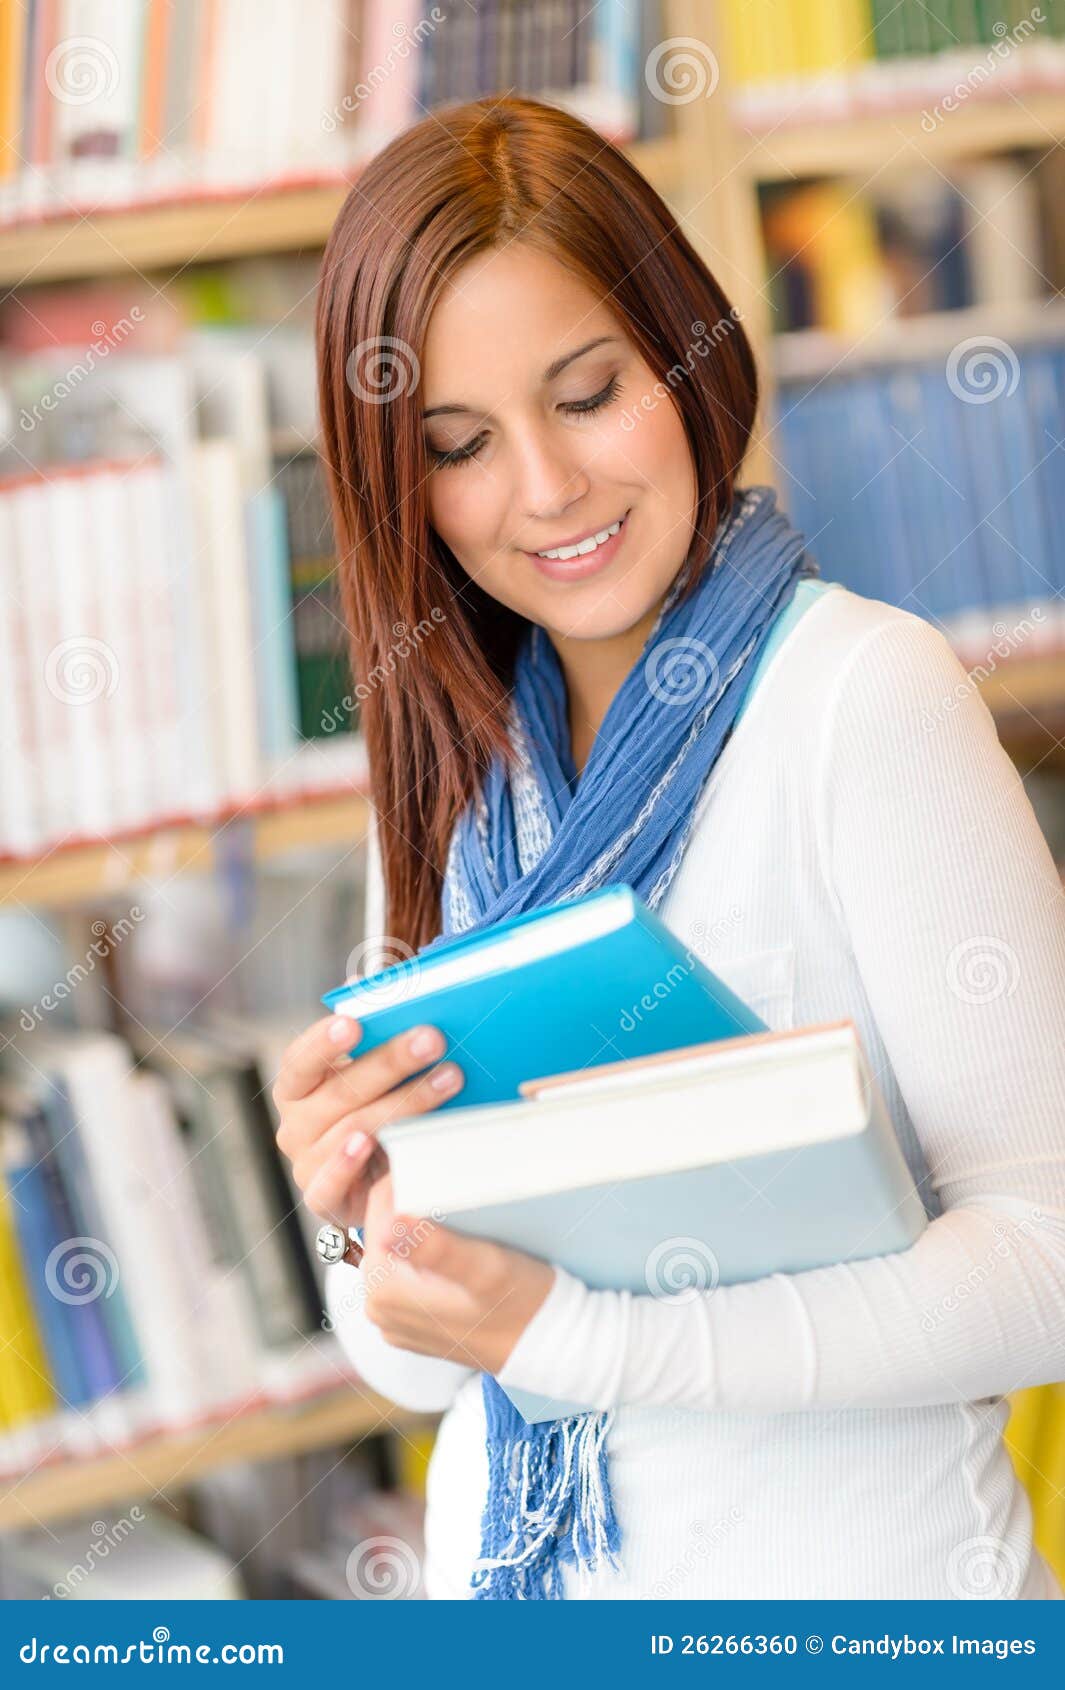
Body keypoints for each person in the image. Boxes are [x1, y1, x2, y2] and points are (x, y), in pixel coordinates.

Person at [272, 96, 1065, 1601]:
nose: (546, 491)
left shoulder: (860, 696)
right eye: (458, 444)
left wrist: (572, 1336)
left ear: (683, 352)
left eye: (587, 393)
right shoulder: (453, 767)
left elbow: (1045, 1268)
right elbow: (414, 1370)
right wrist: (357, 1208)